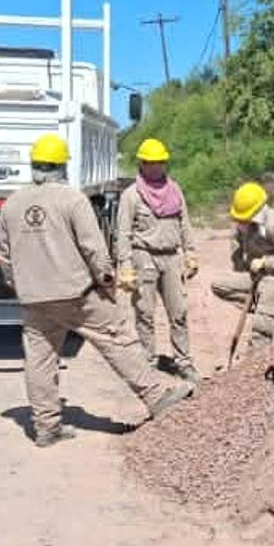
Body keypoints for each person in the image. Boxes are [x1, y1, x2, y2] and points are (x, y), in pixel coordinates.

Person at [0, 133, 194, 448]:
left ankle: (46, 428)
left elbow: (5, 256)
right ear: (61, 167)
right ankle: (156, 398)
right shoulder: (72, 200)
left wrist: (19, 285)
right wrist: (107, 281)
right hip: (76, 294)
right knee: (117, 338)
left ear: (34, 165)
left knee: (40, 360)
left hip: (34, 298)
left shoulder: (12, 204)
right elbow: (94, 250)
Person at [114, 138, 201, 384]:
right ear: (141, 164)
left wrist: (191, 252)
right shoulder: (132, 196)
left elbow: (184, 222)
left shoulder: (174, 190)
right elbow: (123, 233)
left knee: (180, 313)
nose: (156, 167)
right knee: (144, 313)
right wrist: (126, 267)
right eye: (151, 163)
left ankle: (183, 362)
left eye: (160, 162)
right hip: (144, 256)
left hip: (172, 256)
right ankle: (148, 363)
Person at [209, 181, 274, 355]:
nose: (241, 222)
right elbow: (237, 246)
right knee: (219, 286)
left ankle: (254, 363)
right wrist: (241, 262)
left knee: (260, 329)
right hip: (256, 275)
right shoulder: (243, 223)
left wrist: (266, 263)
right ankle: (265, 306)